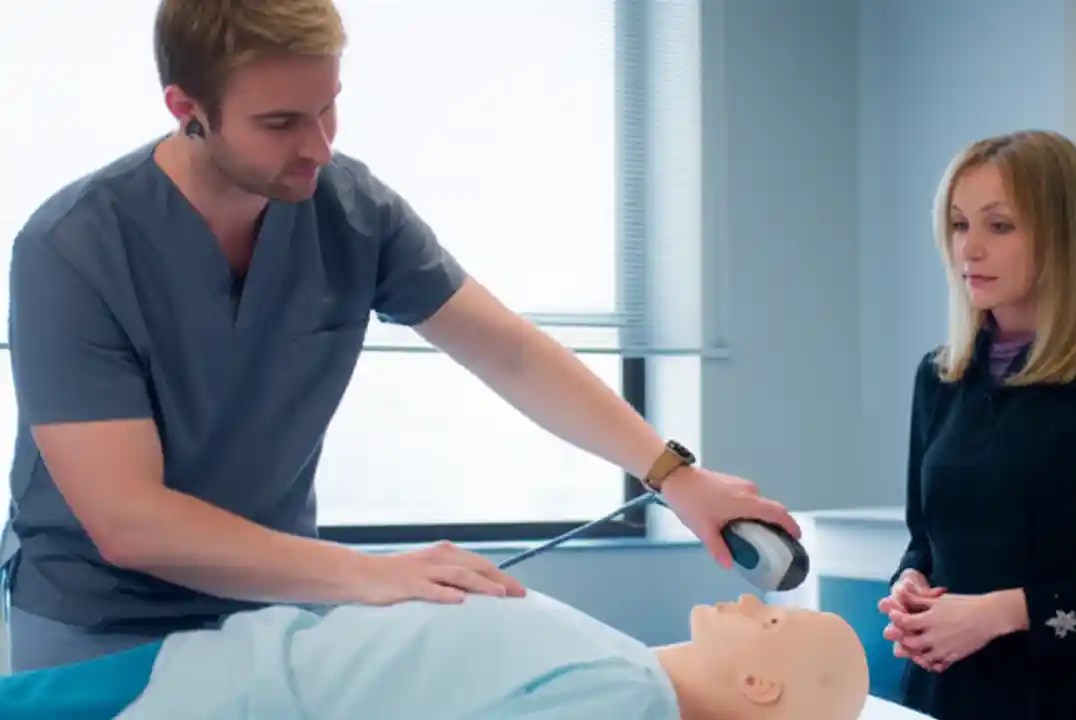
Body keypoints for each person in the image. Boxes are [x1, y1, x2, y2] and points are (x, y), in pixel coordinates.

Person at [0, 0, 800, 672]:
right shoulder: (73, 249)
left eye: (328, 106)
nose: (318, 145)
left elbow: (509, 352)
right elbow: (129, 520)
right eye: (280, 122)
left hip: (274, 613)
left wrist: (673, 476)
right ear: (187, 110)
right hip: (95, 625)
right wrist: (368, 574)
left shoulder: (349, 210)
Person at [876, 130, 1076, 719]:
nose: (969, 250)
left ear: (1060, 234)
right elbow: (923, 537)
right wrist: (909, 584)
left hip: (1057, 696)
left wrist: (1001, 613)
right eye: (958, 225)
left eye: (999, 226)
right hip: (941, 692)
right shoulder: (940, 375)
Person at [0, 592, 871, 720]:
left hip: (237, 693)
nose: (757, 600)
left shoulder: (624, 695)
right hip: (235, 663)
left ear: (760, 686)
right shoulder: (620, 660)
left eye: (773, 623)